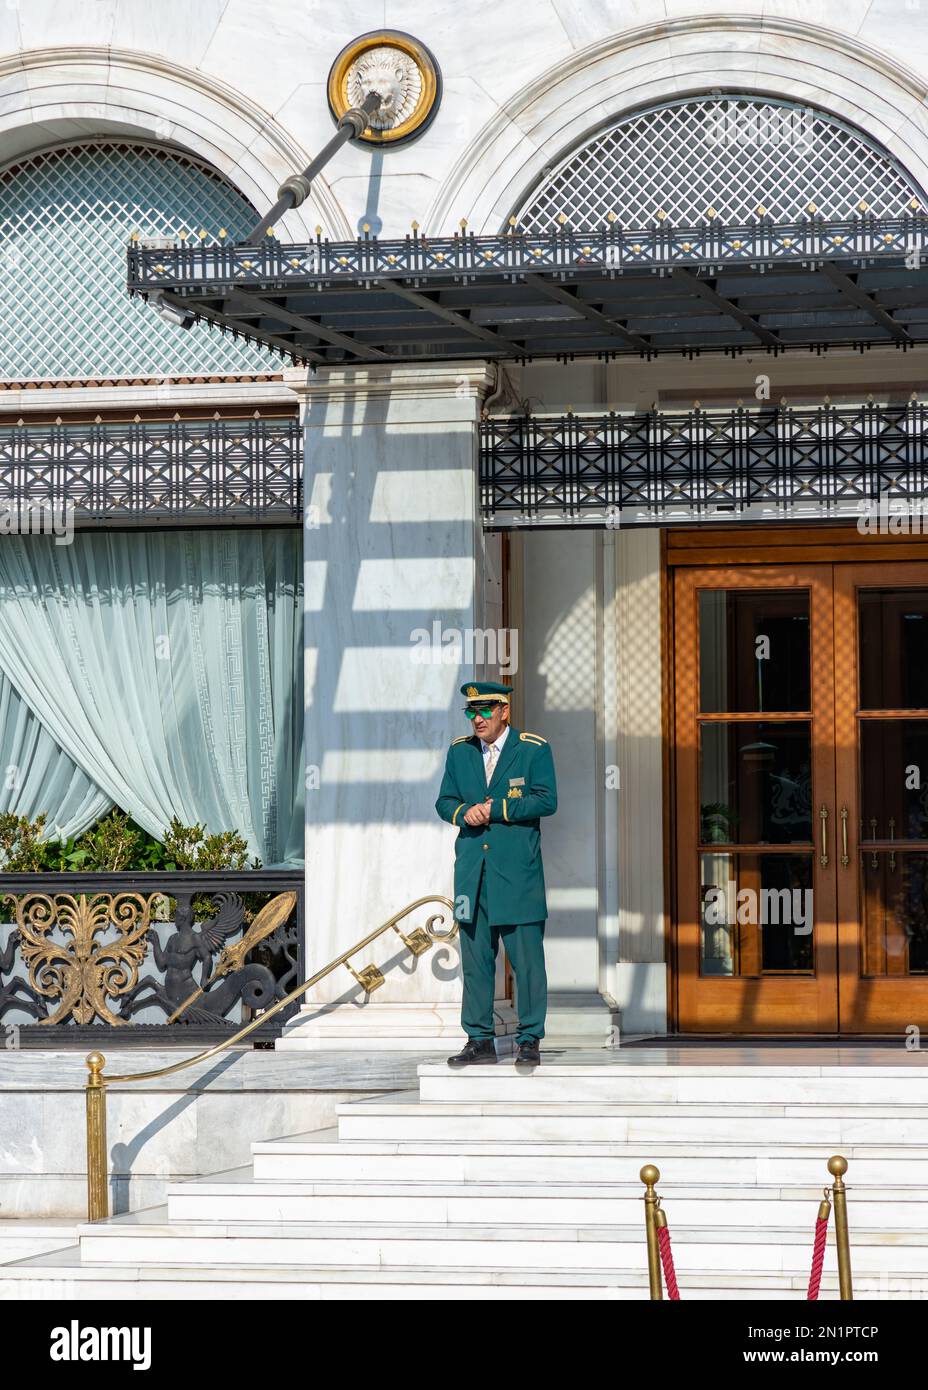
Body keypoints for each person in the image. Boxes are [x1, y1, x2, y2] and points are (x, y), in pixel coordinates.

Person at [435, 680, 557, 1068]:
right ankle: (479, 1040)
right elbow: (444, 800)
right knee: (475, 961)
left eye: (485, 710)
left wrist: (497, 808)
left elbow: (546, 799)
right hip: (473, 873)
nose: (477, 718)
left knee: (527, 962)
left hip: (517, 876)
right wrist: (461, 813)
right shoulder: (460, 753)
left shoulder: (533, 749)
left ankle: (529, 1038)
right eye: (471, 711)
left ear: (504, 711)